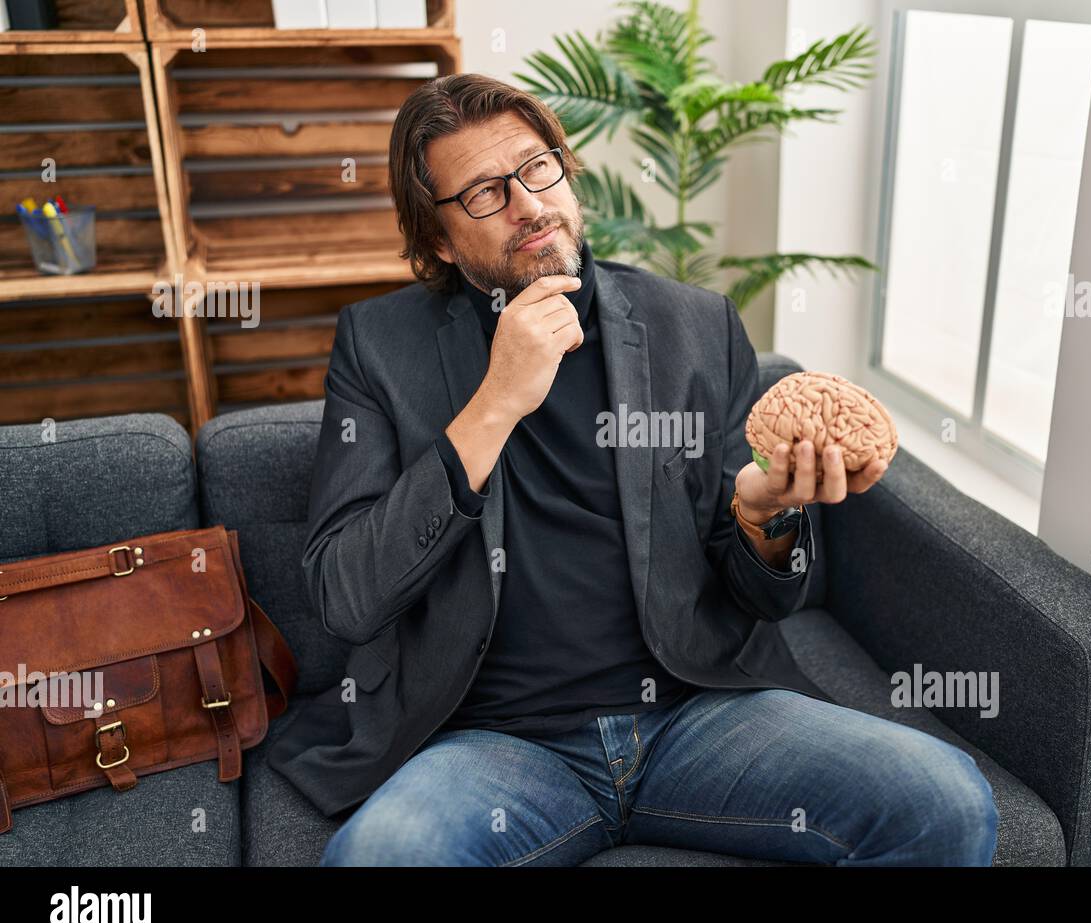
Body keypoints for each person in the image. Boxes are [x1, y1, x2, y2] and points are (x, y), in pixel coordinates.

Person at [269, 72, 999, 866]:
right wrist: (495, 403)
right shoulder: (379, 348)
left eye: (536, 168)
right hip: (493, 746)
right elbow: (344, 596)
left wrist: (761, 517)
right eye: (484, 193)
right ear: (439, 239)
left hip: (695, 717)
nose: (527, 205)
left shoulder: (691, 325)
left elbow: (762, 595)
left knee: (945, 801)